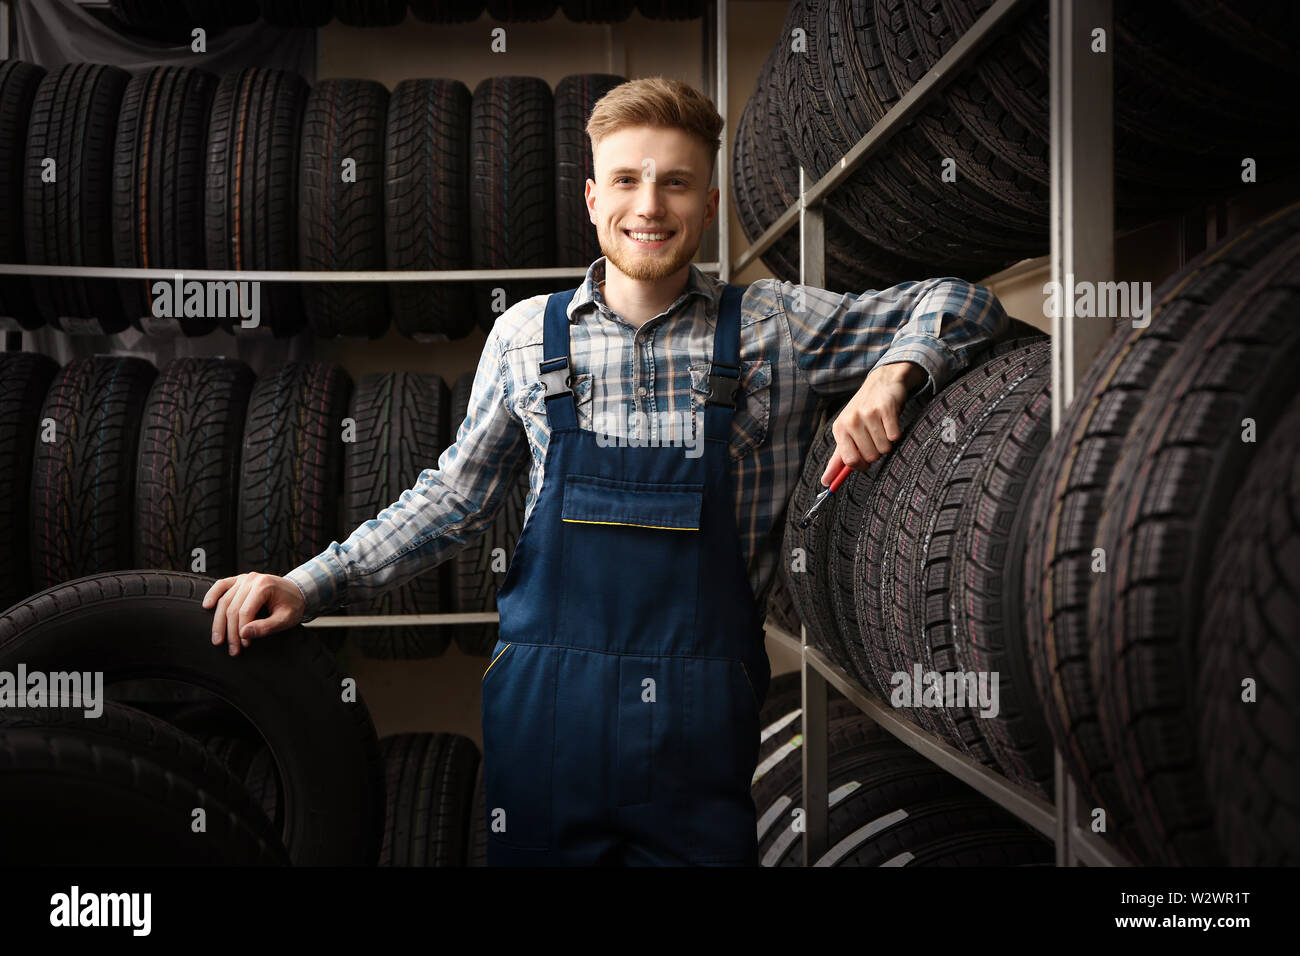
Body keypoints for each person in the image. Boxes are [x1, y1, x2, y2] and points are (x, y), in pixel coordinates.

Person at [203, 76, 1008, 865]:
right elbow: (452, 499)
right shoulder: (526, 337)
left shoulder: (778, 326)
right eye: (627, 179)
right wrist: (310, 584)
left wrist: (898, 370)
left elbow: (963, 302)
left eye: (676, 183)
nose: (650, 206)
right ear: (593, 199)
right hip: (545, 728)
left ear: (710, 207)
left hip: (698, 733)